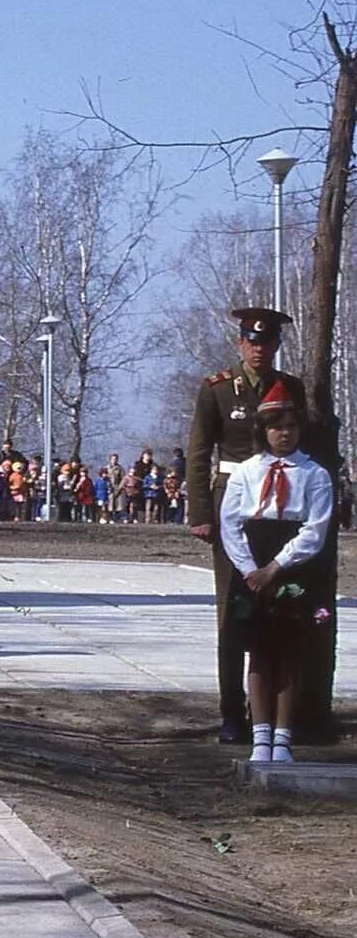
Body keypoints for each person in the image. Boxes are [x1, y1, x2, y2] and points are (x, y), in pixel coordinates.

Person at [187, 306, 309, 744]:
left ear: (276, 345)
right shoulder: (217, 389)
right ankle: (231, 713)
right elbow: (199, 452)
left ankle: (278, 714)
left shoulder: (290, 387)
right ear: (241, 343)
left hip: (279, 509)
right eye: (252, 342)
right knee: (232, 612)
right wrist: (201, 514)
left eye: (267, 342)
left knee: (282, 609)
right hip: (233, 506)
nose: (259, 349)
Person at [218, 382, 332, 763]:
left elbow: (315, 530)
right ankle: (260, 736)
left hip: (293, 565)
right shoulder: (246, 472)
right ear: (262, 431)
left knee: (289, 653)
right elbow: (230, 524)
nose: (284, 434)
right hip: (252, 563)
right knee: (258, 652)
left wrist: (275, 568)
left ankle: (283, 738)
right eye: (276, 427)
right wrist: (251, 570)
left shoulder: (314, 474)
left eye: (291, 427)